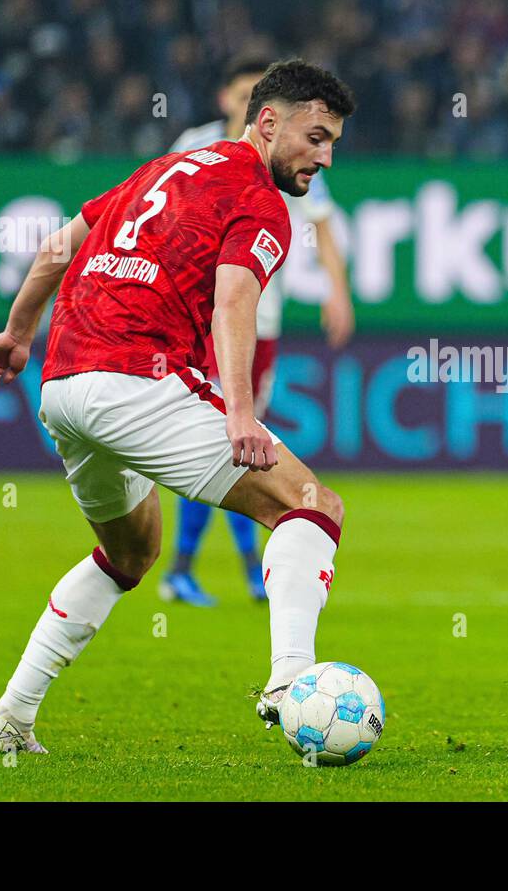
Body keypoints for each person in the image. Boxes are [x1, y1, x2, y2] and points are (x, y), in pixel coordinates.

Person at [0, 59, 356, 753]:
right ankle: (291, 682)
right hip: (137, 379)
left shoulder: (162, 168)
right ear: (268, 122)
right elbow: (235, 301)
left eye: (332, 143)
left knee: (129, 552)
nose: (324, 157)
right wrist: (240, 412)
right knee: (313, 505)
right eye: (316, 137)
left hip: (62, 386)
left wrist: (19, 332)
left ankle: (9, 719)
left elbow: (60, 246)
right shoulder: (260, 199)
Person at [159, 54, 356, 606]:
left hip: (259, 317)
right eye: (242, 90)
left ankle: (206, 569)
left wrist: (336, 292)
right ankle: (210, 568)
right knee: (221, 436)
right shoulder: (194, 145)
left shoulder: (295, 158)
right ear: (234, 102)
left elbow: (323, 227)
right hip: (203, 313)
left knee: (239, 438)